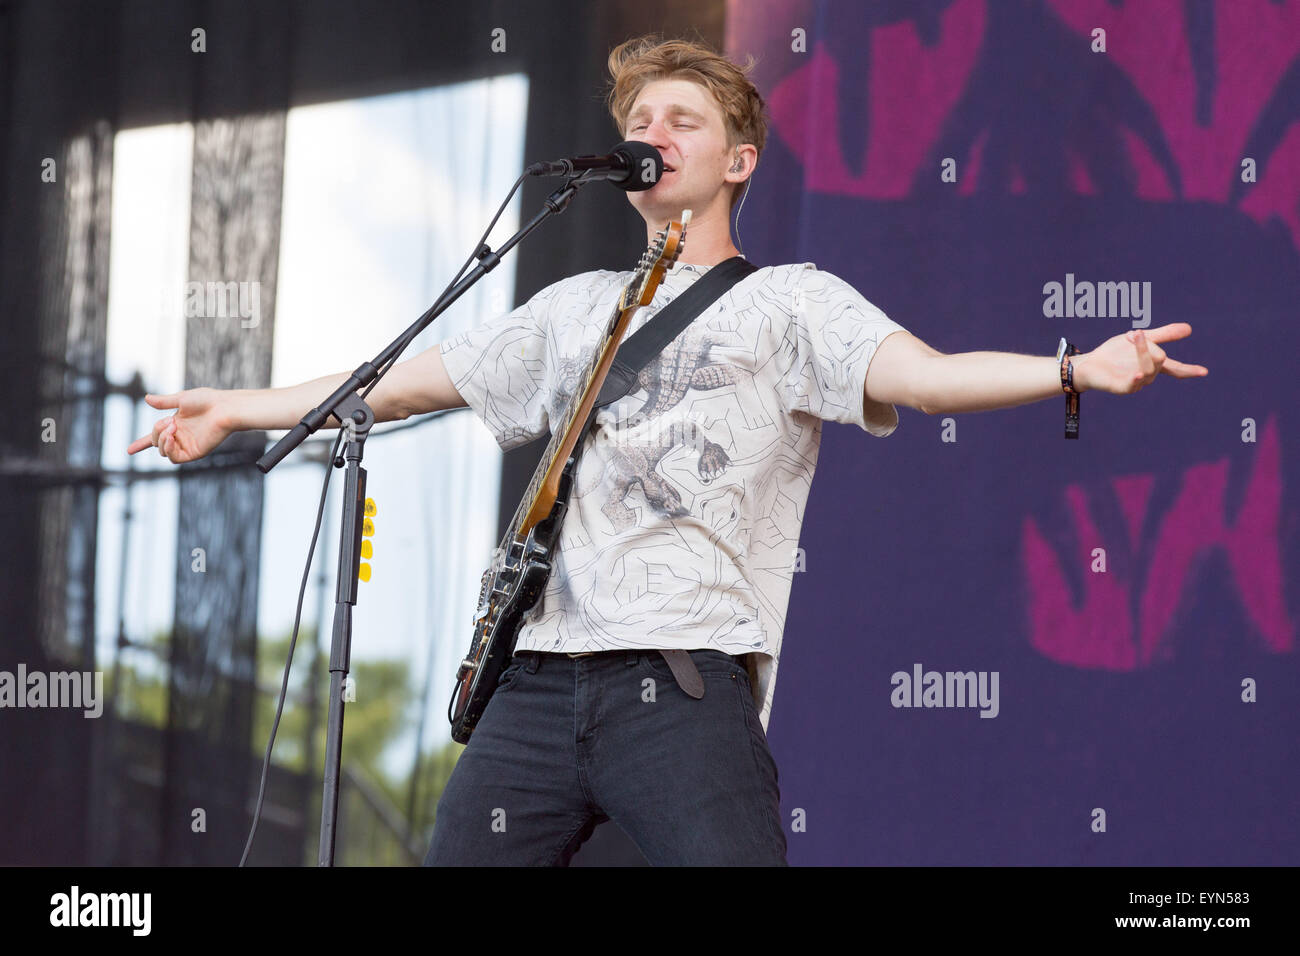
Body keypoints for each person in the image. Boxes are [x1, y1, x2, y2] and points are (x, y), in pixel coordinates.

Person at [128, 36, 1208, 866]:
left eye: (681, 118)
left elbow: (921, 374)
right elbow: (405, 379)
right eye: (641, 119)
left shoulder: (791, 302)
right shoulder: (571, 308)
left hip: (681, 681)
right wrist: (237, 405)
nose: (654, 131)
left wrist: (1071, 365)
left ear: (737, 160)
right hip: (535, 684)